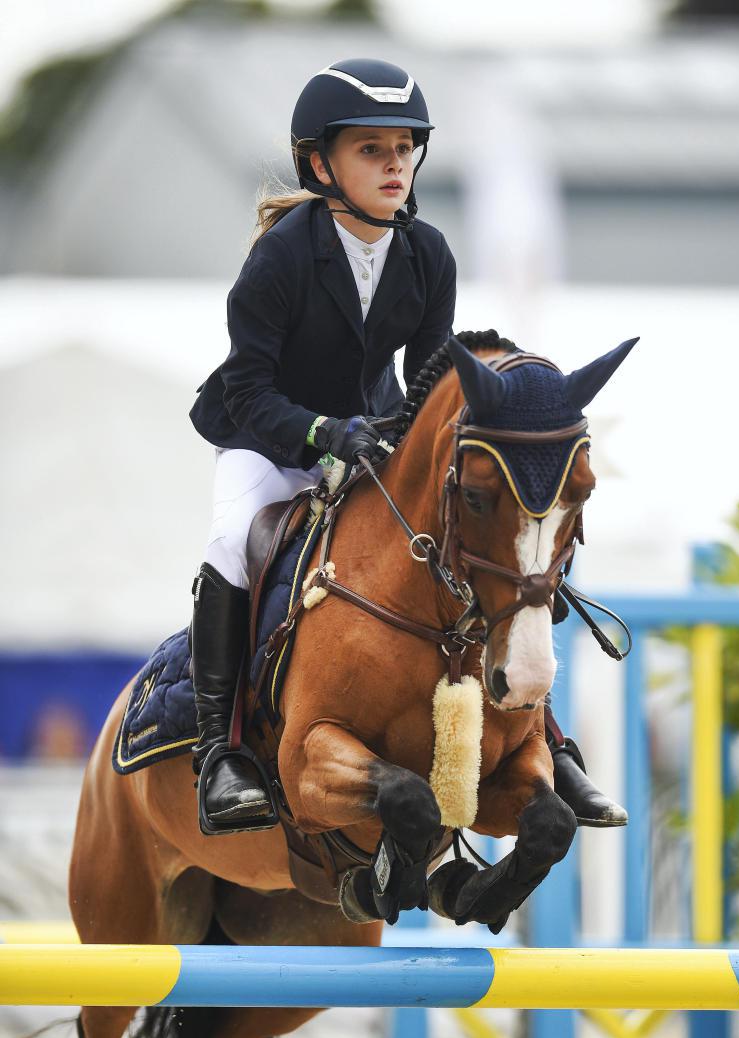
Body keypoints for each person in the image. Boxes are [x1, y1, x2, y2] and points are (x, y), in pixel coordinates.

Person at [188, 59, 456, 831]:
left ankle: (535, 744)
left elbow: (428, 382)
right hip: (266, 438)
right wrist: (323, 435)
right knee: (231, 541)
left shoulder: (428, 254)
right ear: (320, 164)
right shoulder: (280, 256)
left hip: (367, 436)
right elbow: (248, 389)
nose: (395, 164)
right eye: (372, 149)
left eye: (404, 148)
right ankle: (219, 754)